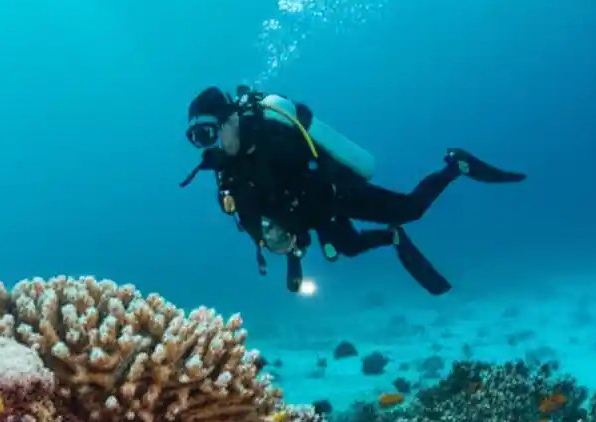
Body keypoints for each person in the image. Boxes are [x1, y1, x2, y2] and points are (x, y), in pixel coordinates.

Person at [180, 85, 526, 295]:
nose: (205, 146)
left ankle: (456, 165)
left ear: (229, 120)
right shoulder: (227, 172)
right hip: (309, 215)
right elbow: (255, 219)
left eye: (208, 134)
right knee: (348, 248)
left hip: (335, 193)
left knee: (411, 210)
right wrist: (284, 245)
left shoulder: (272, 134)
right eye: (196, 138)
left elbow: (314, 163)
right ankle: (393, 238)